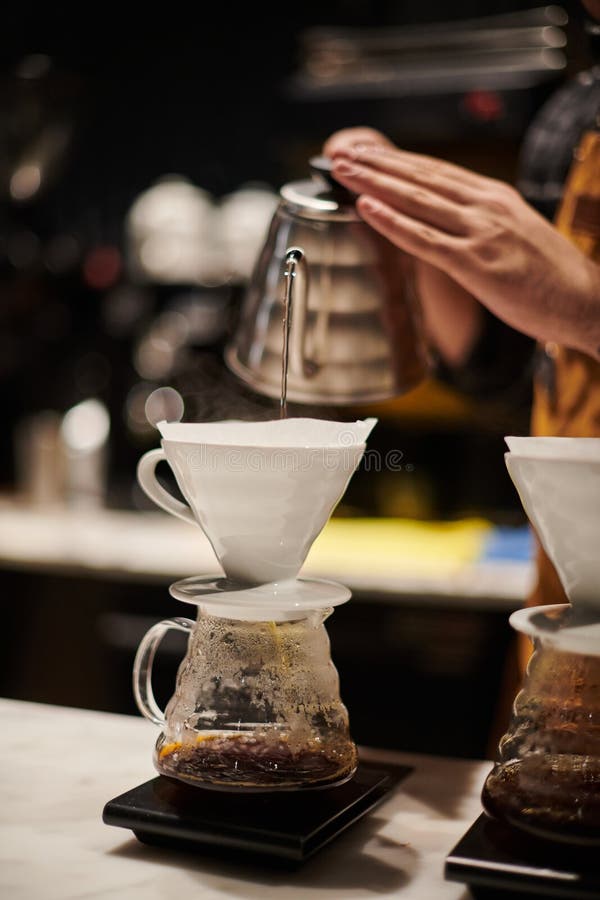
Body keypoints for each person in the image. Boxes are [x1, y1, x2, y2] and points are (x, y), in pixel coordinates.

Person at [322, 5, 600, 692]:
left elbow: (577, 313)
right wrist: (409, 231)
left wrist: (587, 309)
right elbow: (508, 372)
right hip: (564, 632)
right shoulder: (577, 112)